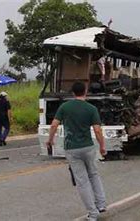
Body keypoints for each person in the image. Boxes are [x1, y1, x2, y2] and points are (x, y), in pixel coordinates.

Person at [46, 82, 107, 221]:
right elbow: (97, 130)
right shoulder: (91, 108)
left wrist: (50, 140)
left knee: (82, 182)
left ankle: (92, 213)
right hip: (88, 147)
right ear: (85, 91)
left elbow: (54, 124)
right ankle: (101, 204)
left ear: (73, 93)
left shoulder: (65, 107)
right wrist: (102, 146)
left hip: (72, 148)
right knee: (94, 175)